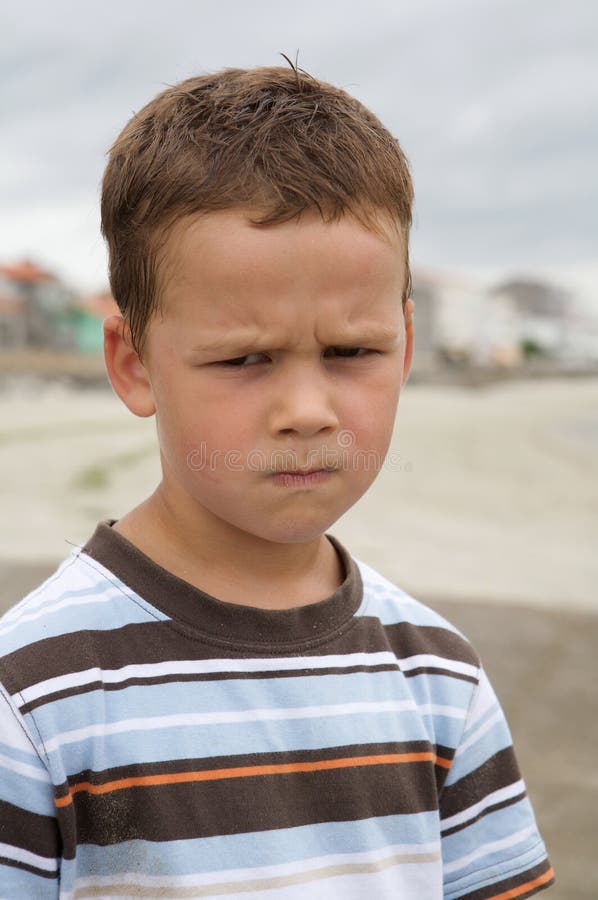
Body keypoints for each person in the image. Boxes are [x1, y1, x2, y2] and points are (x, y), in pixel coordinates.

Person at [0, 63, 554, 898]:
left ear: (404, 344)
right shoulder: (36, 695)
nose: (306, 410)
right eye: (244, 359)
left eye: (351, 353)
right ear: (134, 362)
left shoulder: (440, 679)